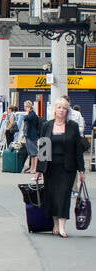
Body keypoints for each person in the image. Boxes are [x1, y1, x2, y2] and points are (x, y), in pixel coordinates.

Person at [34, 97, 89, 238]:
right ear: (55, 109)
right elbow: (43, 149)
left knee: (64, 195)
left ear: (67, 111)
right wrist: (39, 170)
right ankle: (55, 225)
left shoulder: (73, 127)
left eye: (64, 108)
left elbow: (78, 150)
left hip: (67, 168)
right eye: (59, 107)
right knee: (51, 195)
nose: (61, 110)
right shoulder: (46, 125)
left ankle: (63, 226)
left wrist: (82, 170)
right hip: (50, 167)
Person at [22, 100, 41, 174]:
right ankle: (32, 168)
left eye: (26, 106)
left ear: (30, 107)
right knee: (31, 153)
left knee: (34, 153)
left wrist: (27, 112)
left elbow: (26, 118)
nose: (25, 108)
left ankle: (35, 168)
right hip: (28, 135)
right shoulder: (30, 114)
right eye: (25, 107)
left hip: (32, 136)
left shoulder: (32, 114)